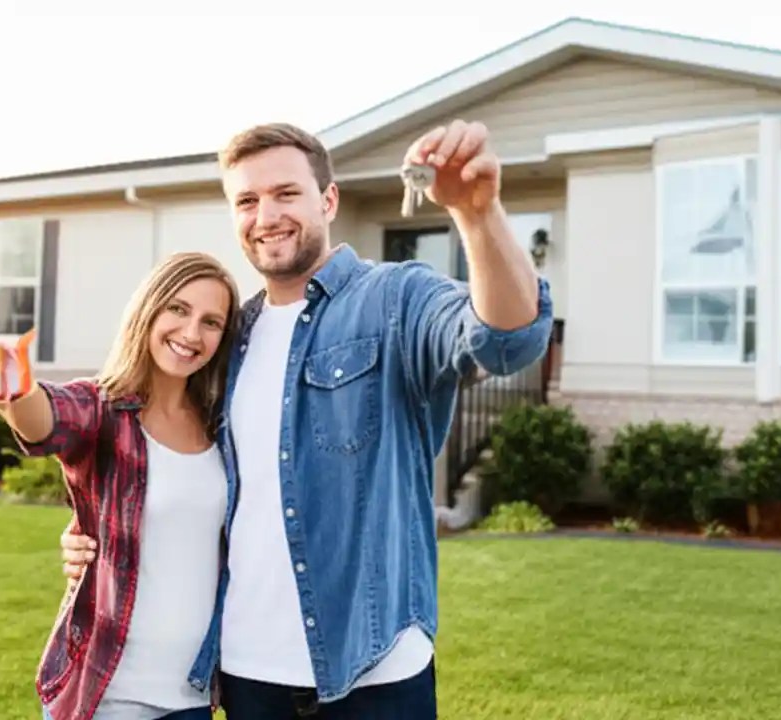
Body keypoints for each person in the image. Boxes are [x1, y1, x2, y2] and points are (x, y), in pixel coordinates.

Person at [60, 119, 554, 718]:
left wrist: (479, 217)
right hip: (248, 674)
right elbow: (178, 467)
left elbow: (507, 340)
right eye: (247, 200)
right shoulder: (226, 339)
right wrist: (103, 538)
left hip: (375, 670)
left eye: (286, 193)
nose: (266, 215)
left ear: (328, 200)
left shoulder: (394, 299)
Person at [0, 252, 243, 720]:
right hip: (107, 692)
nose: (192, 333)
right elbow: (46, 420)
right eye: (178, 309)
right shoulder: (101, 409)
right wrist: (14, 391)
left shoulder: (223, 426)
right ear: (148, 310)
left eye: (211, 321)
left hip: (193, 696)